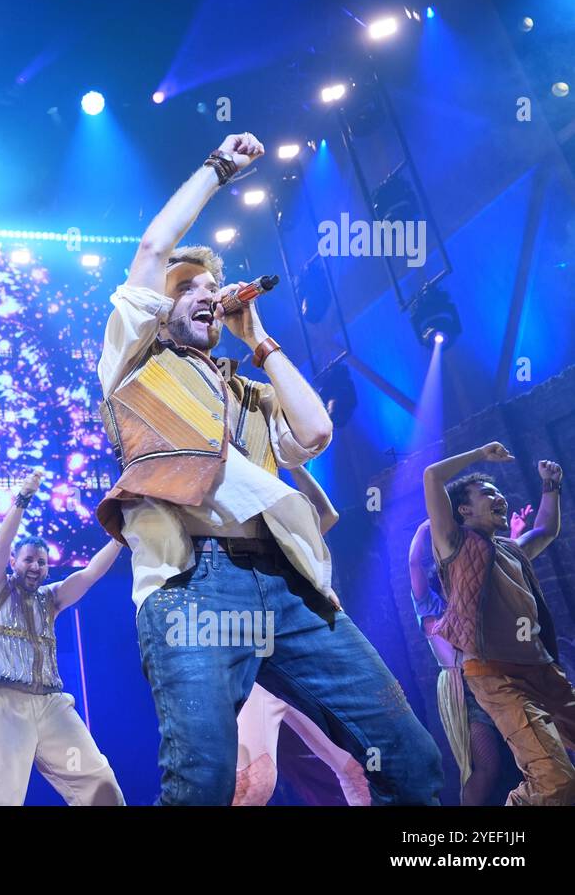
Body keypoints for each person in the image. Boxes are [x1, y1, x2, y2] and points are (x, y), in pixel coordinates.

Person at [96, 132, 441, 805]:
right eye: (188, 288)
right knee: (202, 783)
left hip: (287, 585)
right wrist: (219, 167)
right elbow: (151, 250)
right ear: (157, 309)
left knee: (411, 761)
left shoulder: (248, 388)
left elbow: (313, 431)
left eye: (212, 287)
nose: (208, 294)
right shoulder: (133, 362)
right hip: (194, 584)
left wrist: (260, 341)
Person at [422, 443, 572, 805]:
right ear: (464, 509)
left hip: (542, 671)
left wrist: (551, 486)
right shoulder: (453, 546)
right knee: (554, 780)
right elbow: (432, 476)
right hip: (498, 677)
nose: (499, 497)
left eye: (499, 492)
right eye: (487, 493)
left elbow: (545, 529)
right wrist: (478, 454)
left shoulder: (510, 549)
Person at [0, 470, 126, 805]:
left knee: (99, 782)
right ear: (15, 561)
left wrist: (119, 538)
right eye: (29, 559)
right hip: (5, 704)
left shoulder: (50, 599)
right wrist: (22, 501)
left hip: (52, 706)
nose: (36, 567)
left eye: (42, 562)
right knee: (2, 796)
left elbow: (89, 574)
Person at [232, 465, 369, 806]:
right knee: (252, 785)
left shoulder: (296, 547)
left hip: (312, 664)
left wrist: (293, 465)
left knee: (357, 768)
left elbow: (328, 513)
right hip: (261, 671)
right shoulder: (232, 552)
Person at [408, 518, 510, 805]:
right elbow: (414, 566)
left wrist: (513, 534)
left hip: (493, 679)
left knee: (520, 756)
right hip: (463, 690)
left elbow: (500, 578)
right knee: (486, 768)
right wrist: (422, 530)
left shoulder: (472, 602)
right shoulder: (430, 606)